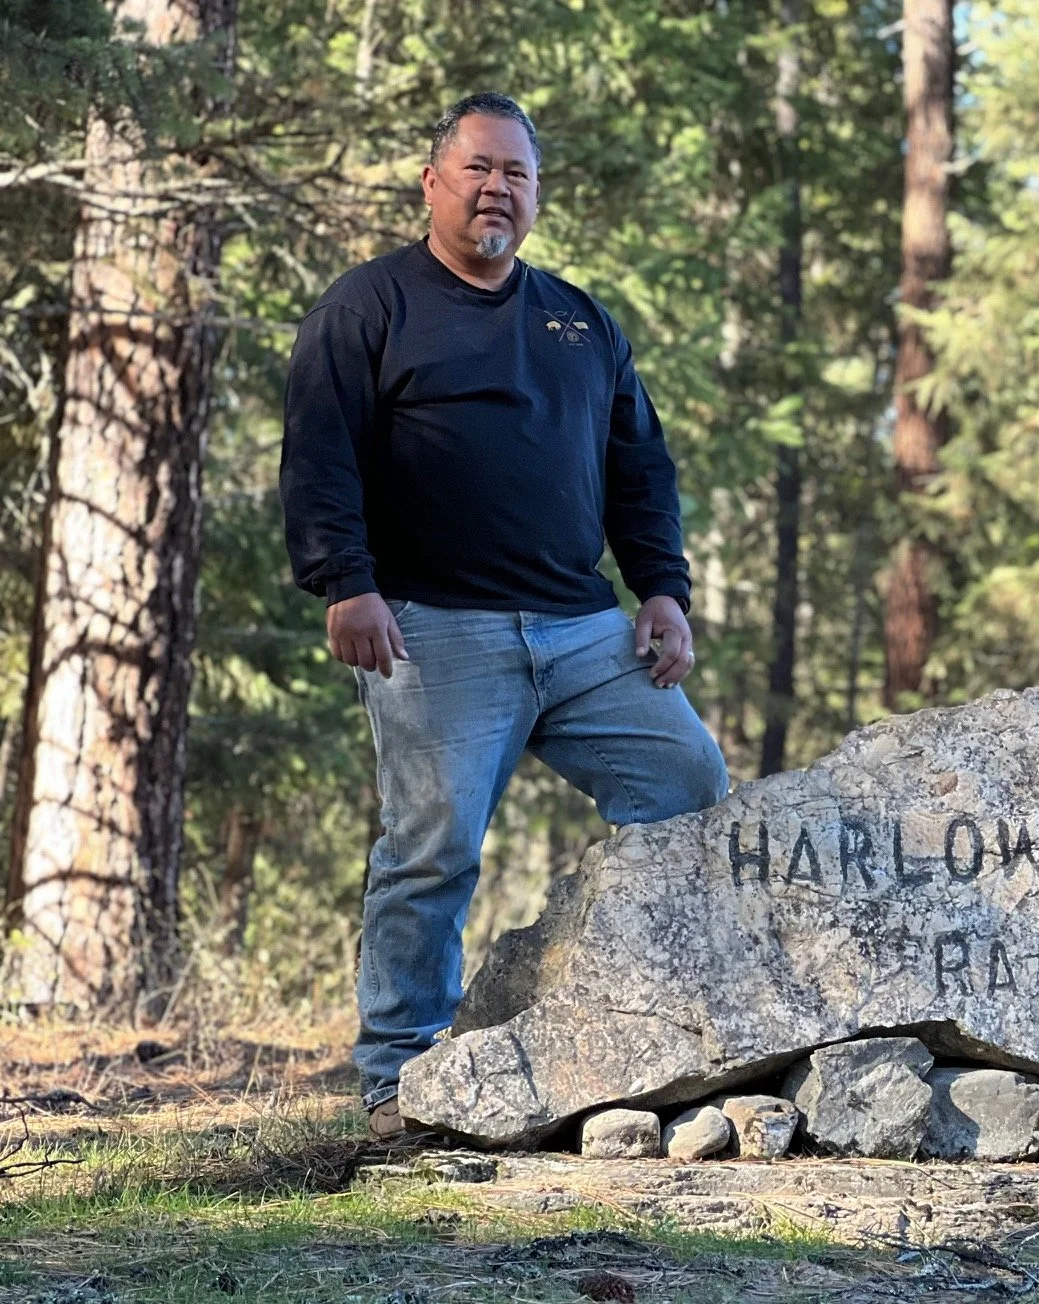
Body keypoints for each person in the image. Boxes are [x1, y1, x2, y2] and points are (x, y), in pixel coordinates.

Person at [279, 92, 730, 1140]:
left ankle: (647, 1027)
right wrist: (345, 580)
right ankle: (398, 1080)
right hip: (433, 628)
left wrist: (663, 589)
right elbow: (319, 451)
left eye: (516, 174)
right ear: (431, 182)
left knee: (686, 782)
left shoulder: (579, 321)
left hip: (582, 629)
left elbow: (639, 467)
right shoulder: (369, 306)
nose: (497, 189)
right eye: (478, 168)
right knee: (431, 848)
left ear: (535, 195)